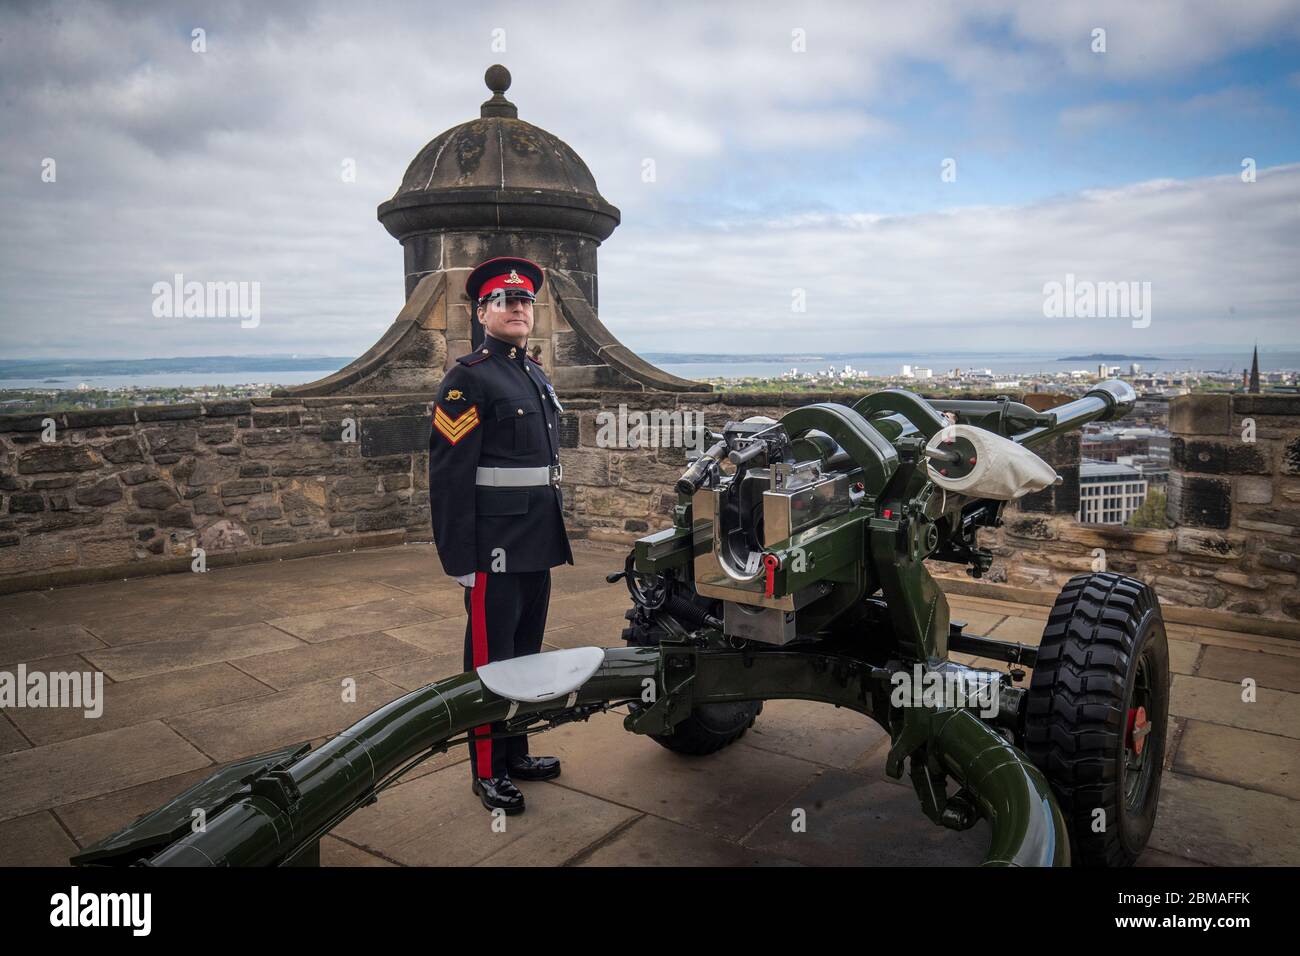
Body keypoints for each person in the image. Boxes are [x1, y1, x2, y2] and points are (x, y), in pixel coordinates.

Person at [427, 255, 572, 815]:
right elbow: (449, 475)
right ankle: (486, 771)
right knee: (491, 664)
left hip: (537, 539)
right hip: (493, 548)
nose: (517, 307)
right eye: (505, 301)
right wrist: (460, 556)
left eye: (525, 301)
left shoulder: (532, 372)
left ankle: (516, 753)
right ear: (482, 311)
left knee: (527, 658)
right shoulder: (468, 378)